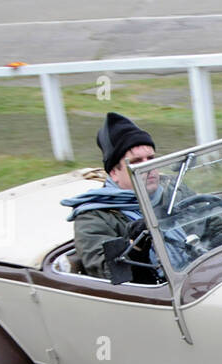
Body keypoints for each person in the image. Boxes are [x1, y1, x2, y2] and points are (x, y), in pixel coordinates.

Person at [60, 112, 160, 279]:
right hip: (152, 290)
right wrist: (135, 246)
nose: (148, 167)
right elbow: (107, 270)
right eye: (136, 162)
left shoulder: (174, 190)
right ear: (114, 173)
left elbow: (213, 228)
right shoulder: (92, 217)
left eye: (151, 158)